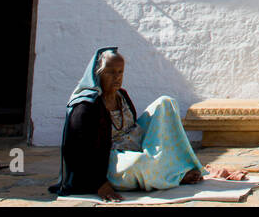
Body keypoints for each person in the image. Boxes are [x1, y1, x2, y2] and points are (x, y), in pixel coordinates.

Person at [49, 46, 203, 201]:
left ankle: (175, 167)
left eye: (120, 72)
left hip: (134, 142)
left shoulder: (121, 95)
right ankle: (173, 176)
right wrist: (99, 184)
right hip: (109, 158)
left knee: (165, 102)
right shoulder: (85, 107)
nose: (117, 77)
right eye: (110, 72)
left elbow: (132, 125)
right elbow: (78, 151)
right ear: (98, 73)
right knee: (140, 163)